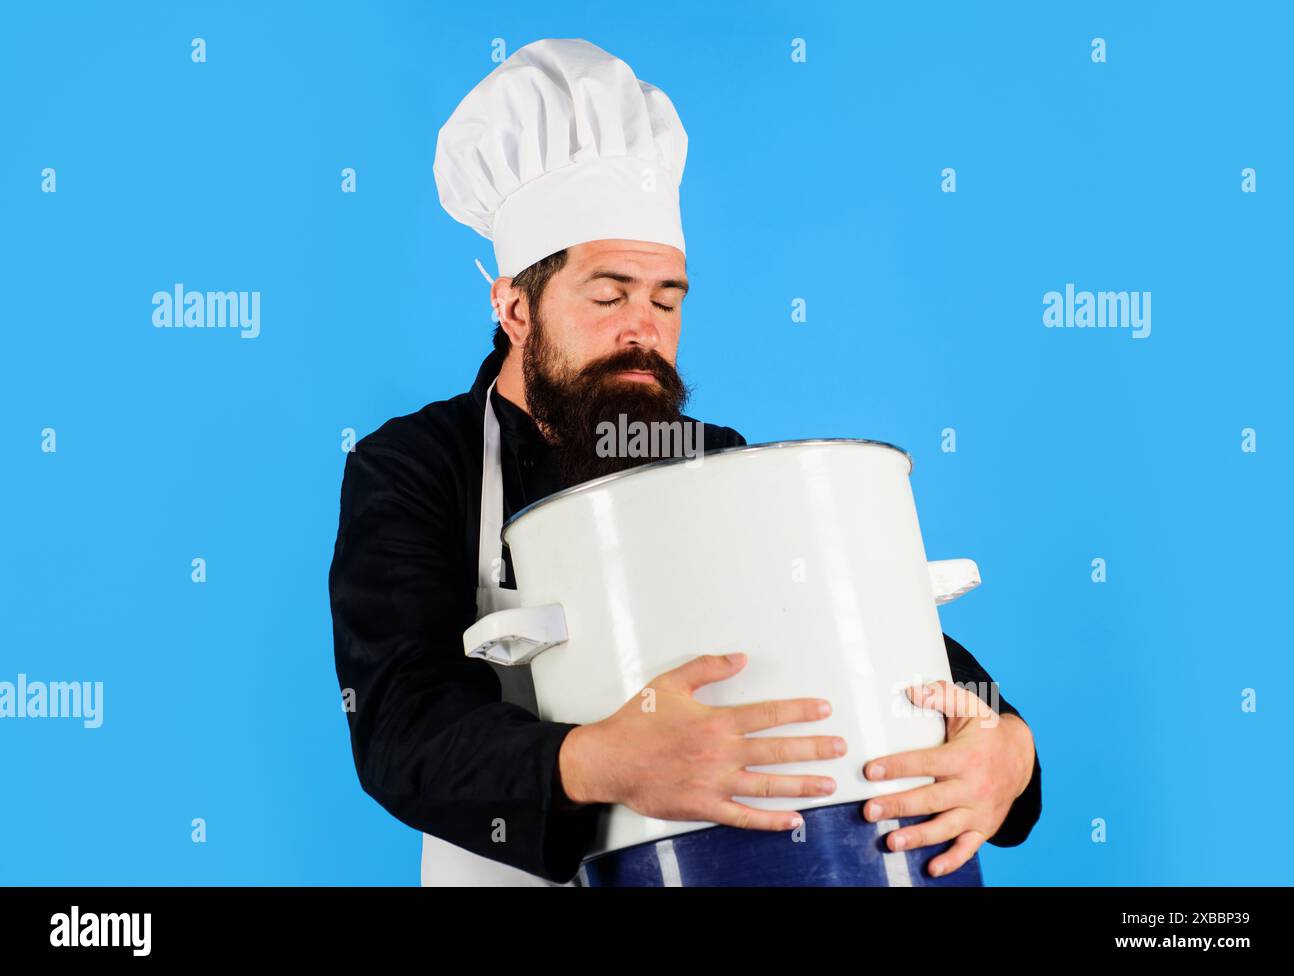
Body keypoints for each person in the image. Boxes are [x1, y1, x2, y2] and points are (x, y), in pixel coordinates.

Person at [328, 38, 1041, 887]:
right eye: (609, 294)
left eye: (668, 299)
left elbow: (875, 632)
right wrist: (597, 763)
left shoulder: (709, 460)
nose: (645, 328)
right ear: (515, 306)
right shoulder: (415, 466)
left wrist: (1011, 748)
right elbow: (403, 729)